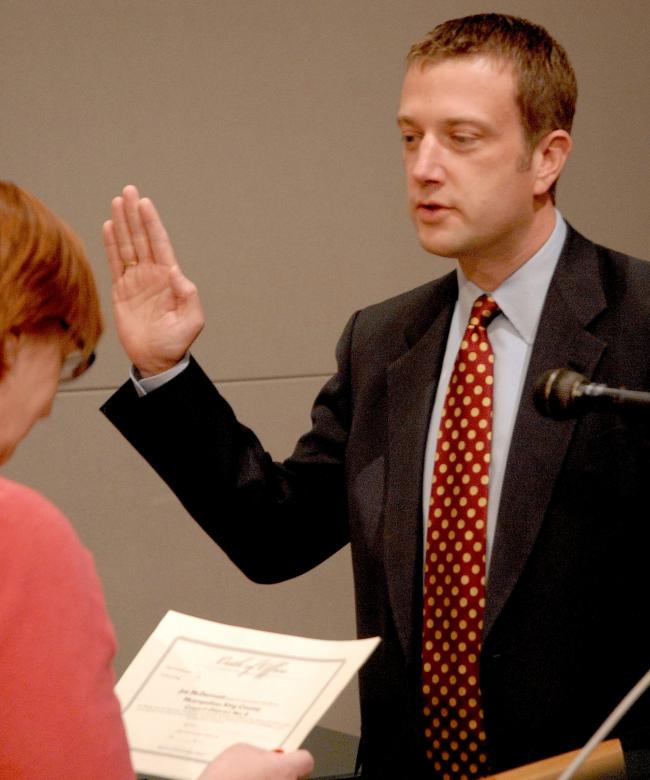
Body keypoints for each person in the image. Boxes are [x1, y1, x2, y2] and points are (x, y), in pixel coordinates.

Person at [100, 13, 650, 780]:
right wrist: (167, 371)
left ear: (546, 158)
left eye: (461, 138)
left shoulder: (640, 325)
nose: (424, 167)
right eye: (408, 137)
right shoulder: (385, 340)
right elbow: (276, 535)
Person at [0, 180, 314, 780]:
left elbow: (279, 530)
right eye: (67, 360)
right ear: (15, 336)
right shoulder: (21, 537)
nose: (45, 407)